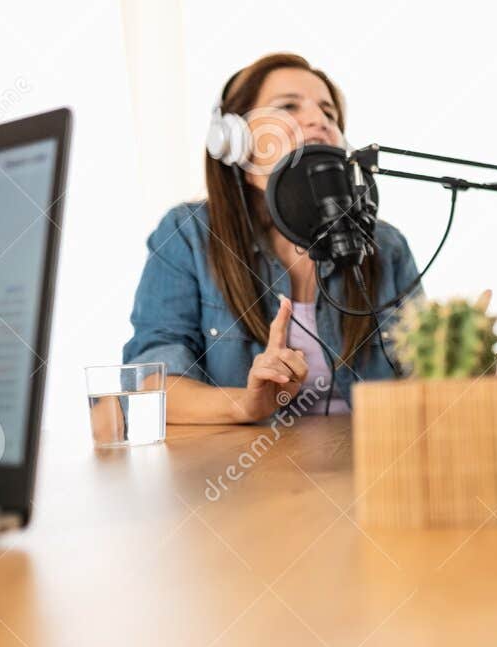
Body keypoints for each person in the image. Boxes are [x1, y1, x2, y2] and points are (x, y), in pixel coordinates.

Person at [124, 53, 420, 423]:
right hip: (248, 461)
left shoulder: (385, 245)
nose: (318, 120)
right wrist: (247, 404)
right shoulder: (188, 235)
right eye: (288, 107)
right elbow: (151, 383)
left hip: (374, 452)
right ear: (233, 141)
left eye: (328, 113)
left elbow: (427, 377)